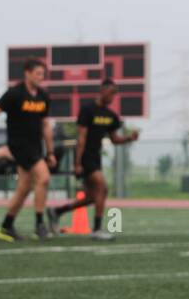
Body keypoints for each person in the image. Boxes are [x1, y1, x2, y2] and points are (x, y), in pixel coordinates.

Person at [47, 79, 139, 240]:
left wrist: (129, 138)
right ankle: (97, 229)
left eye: (115, 94)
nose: (112, 97)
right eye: (111, 93)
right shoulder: (87, 110)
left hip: (96, 158)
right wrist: (77, 163)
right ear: (102, 91)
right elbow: (81, 138)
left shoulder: (111, 116)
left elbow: (114, 139)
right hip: (85, 156)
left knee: (92, 197)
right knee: (103, 188)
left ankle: (57, 211)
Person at [0, 58, 56, 242]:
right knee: (44, 177)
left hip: (35, 147)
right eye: (38, 73)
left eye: (42, 74)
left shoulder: (43, 96)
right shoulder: (15, 93)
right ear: (27, 73)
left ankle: (6, 226)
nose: (41, 77)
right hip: (19, 145)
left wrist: (51, 152)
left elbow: (45, 125)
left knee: (23, 189)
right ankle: (39, 225)